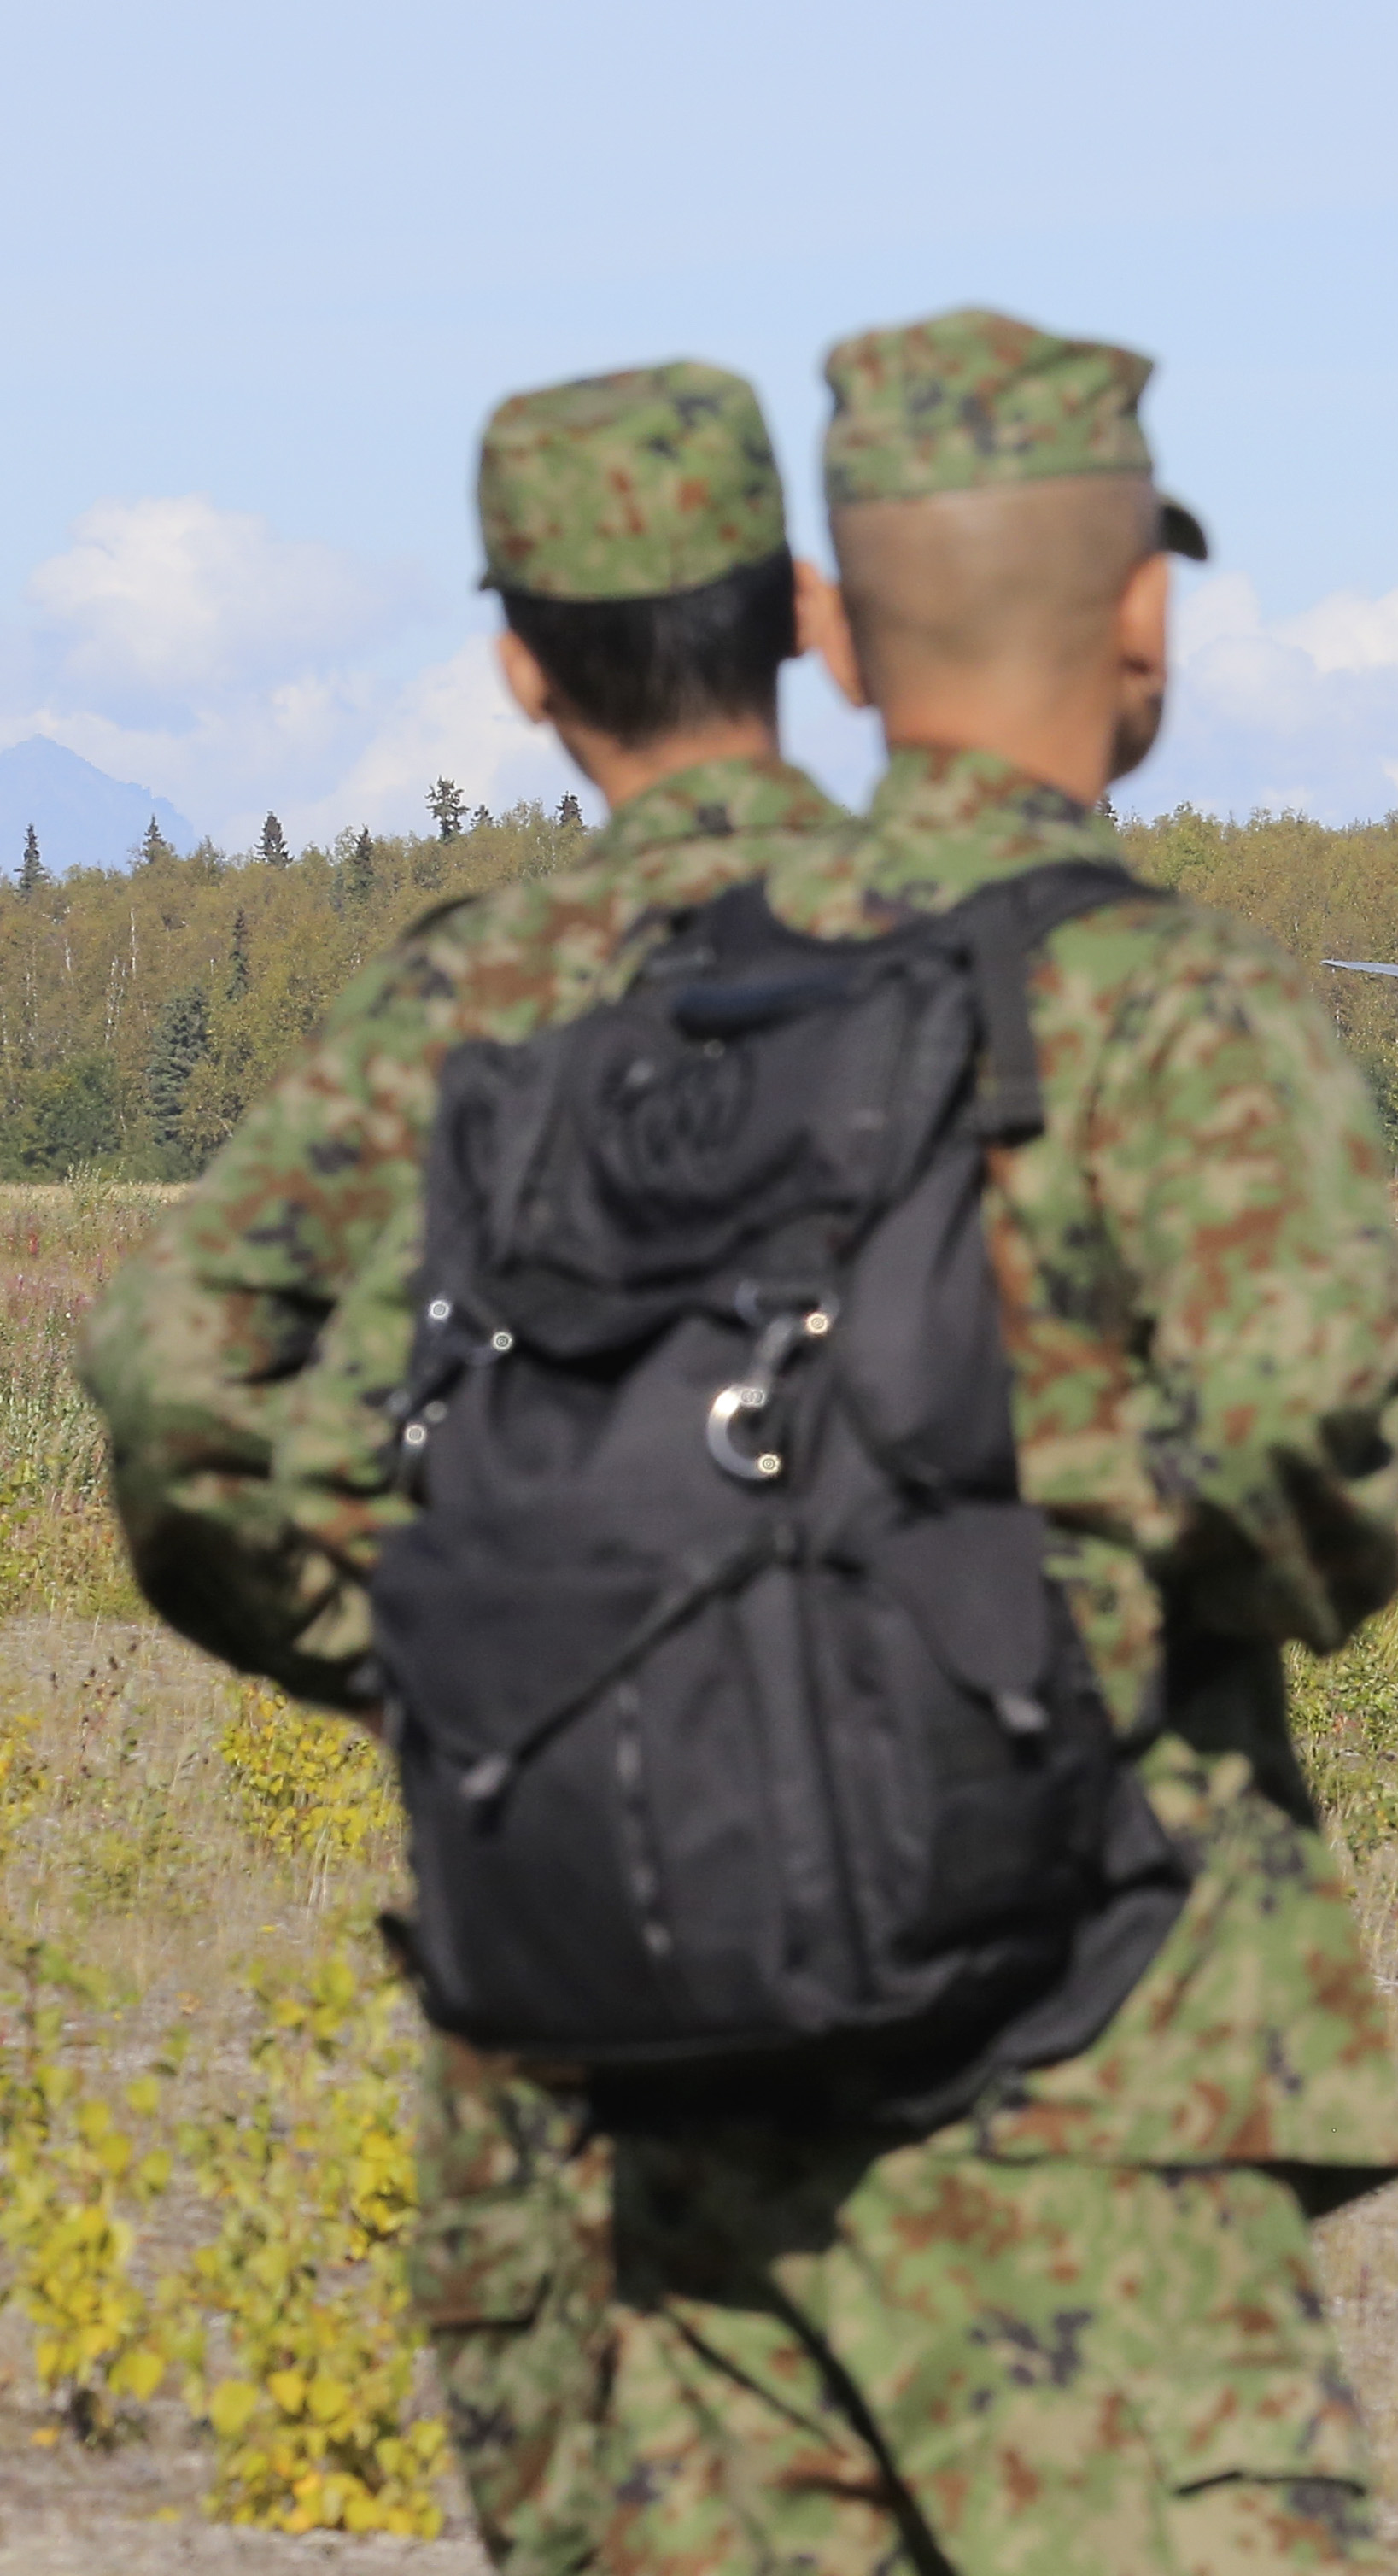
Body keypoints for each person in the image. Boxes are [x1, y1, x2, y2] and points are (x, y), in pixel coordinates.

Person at [535, 306, 1398, 2575]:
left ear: (826, 634)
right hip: (1092, 2048)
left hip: (687, 2057)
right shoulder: (1181, 1015)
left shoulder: (630, 1002)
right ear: (1146, 616)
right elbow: (1310, 1455)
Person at [81, 359, 849, 2567]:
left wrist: (442, 1652)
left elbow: (176, 1382)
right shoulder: (1011, 968)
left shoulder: (476, 999)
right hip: (990, 2003)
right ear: (801, 609)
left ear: (520, 662)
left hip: (579, 1975)